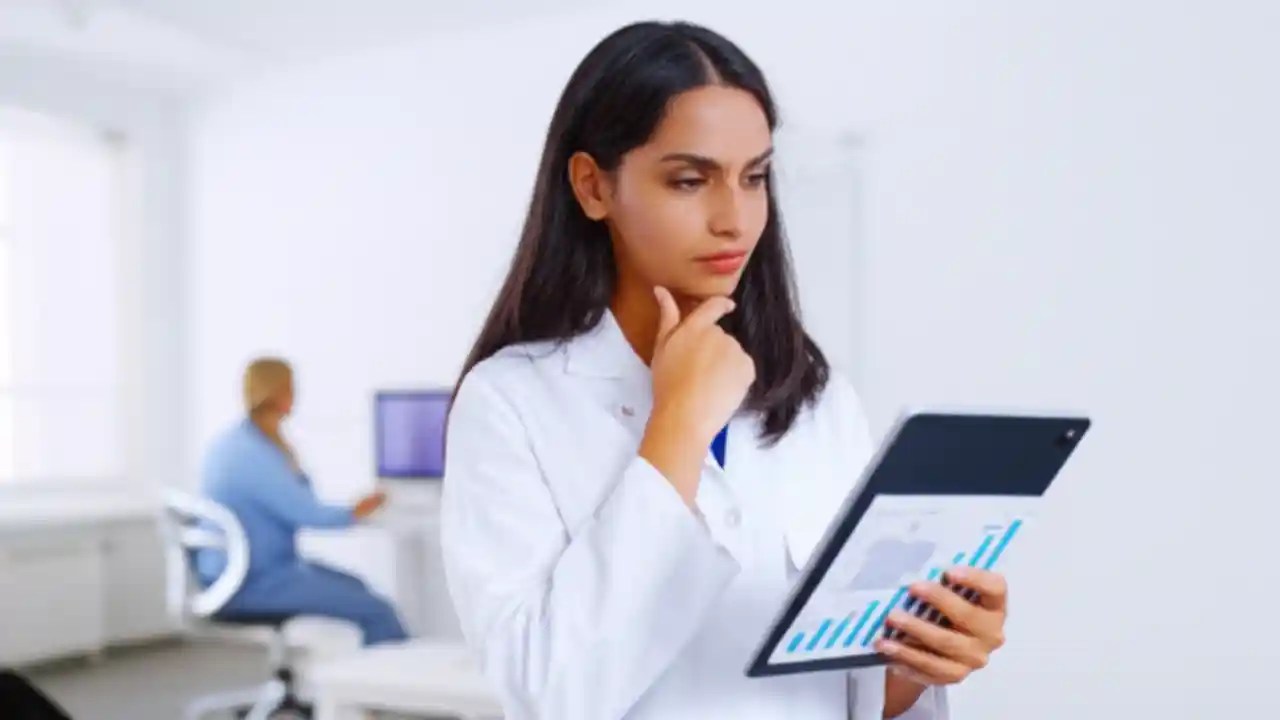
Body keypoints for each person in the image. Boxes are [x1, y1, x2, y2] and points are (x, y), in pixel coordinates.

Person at [440, 20, 1009, 720]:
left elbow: (851, 696)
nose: (734, 220)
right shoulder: (511, 402)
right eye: (689, 180)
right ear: (593, 187)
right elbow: (548, 694)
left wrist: (922, 663)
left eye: (755, 178)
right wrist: (675, 427)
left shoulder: (817, 399)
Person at [197, 357, 408, 646]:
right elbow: (308, 512)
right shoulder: (252, 454)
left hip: (246, 572)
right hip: (252, 581)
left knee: (358, 588)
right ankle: (386, 687)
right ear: (281, 393)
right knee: (378, 611)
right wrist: (355, 510)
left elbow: (297, 498)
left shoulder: (242, 442)